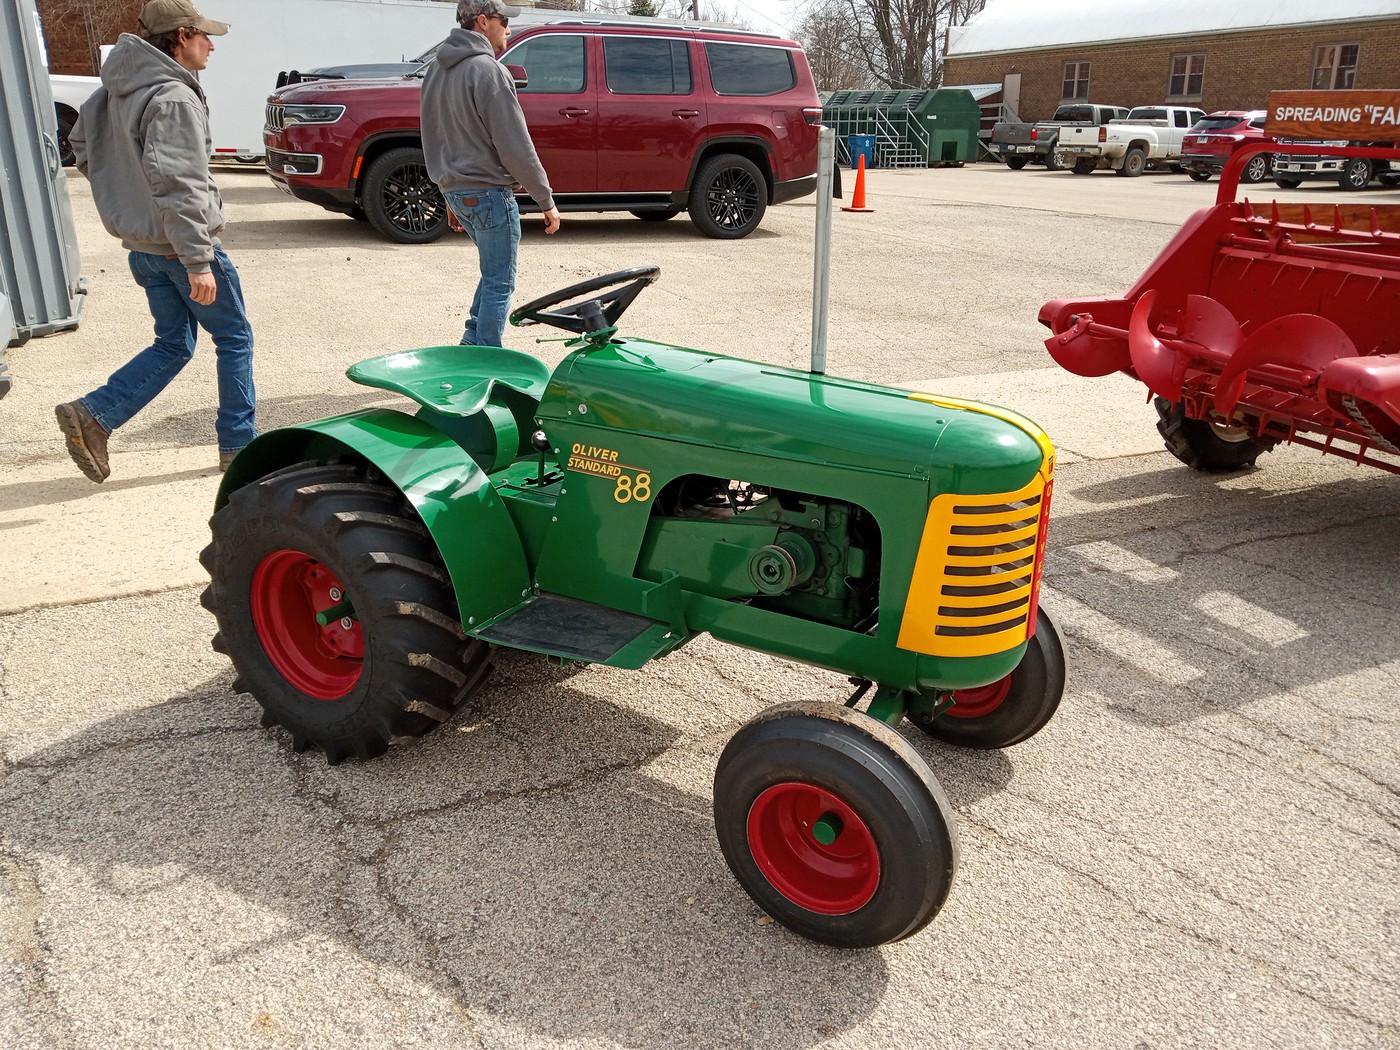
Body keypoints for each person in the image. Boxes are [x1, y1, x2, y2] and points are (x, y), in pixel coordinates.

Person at [57, 0, 256, 483]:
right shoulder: (173, 97)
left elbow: (82, 147)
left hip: (145, 250)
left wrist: (125, 200)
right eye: (205, 36)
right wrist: (198, 260)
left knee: (173, 343)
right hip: (179, 249)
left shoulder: (112, 91)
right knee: (234, 339)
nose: (211, 46)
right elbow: (178, 184)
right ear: (181, 36)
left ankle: (94, 415)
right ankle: (240, 449)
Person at [421, 0, 562, 348]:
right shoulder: (489, 71)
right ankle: (485, 361)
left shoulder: (435, 71)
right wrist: (545, 198)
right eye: (504, 21)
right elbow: (515, 144)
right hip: (490, 195)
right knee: (500, 281)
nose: (509, 28)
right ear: (483, 22)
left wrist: (447, 192)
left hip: (459, 194)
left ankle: (471, 347)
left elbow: (433, 136)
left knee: (492, 271)